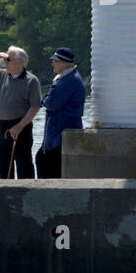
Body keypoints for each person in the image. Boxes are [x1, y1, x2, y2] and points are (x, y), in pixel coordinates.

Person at [0, 46, 41, 179]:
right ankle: (5, 195)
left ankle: (26, 193)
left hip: (21, 127)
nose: (5, 62)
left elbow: (35, 106)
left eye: (8, 59)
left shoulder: (31, 80)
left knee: (24, 164)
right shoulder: (1, 75)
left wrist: (20, 126)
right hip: (0, 127)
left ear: (20, 62)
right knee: (2, 165)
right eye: (5, 59)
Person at [35, 47, 86, 178]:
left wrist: (44, 99)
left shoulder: (69, 80)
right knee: (41, 159)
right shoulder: (66, 78)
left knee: (50, 167)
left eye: (55, 60)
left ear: (65, 63)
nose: (52, 63)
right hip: (57, 131)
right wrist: (47, 98)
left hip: (61, 132)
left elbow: (51, 103)